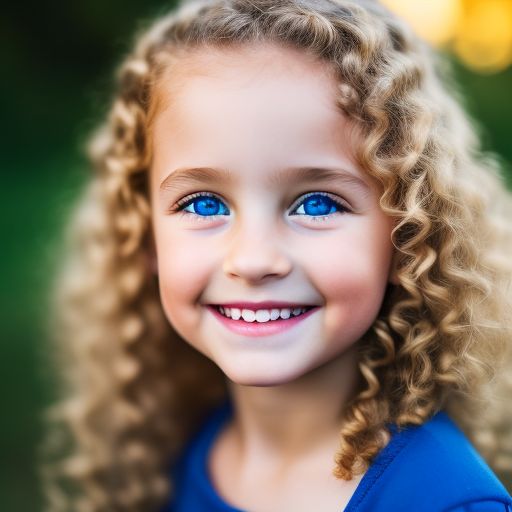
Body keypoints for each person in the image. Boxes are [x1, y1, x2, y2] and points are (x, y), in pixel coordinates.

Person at [40, 0, 512, 510]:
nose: (253, 259)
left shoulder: (444, 500)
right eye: (202, 203)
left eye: (316, 203)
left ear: (408, 234)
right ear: (147, 233)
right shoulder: (170, 456)